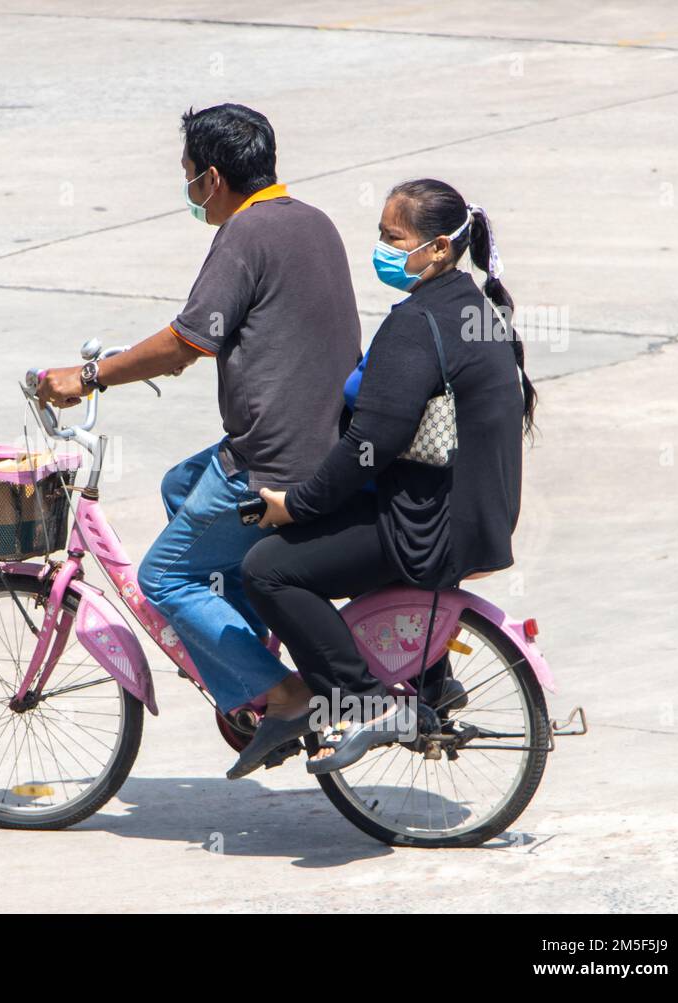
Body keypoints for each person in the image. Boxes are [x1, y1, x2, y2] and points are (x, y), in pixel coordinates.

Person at [35, 103, 360, 741]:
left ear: (211, 178)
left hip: (273, 458)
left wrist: (91, 376)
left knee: (164, 577)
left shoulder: (244, 234)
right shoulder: (312, 221)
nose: (187, 189)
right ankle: (251, 657)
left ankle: (283, 694)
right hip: (328, 441)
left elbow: (187, 345)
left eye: (188, 175)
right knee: (179, 486)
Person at [235, 177, 538, 777]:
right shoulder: (474, 310)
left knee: (267, 569)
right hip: (475, 515)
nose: (383, 249)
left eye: (393, 239)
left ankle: (365, 701)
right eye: (380, 235)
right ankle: (429, 675)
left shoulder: (416, 323)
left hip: (425, 529)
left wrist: (297, 505)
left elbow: (372, 444)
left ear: (441, 249)